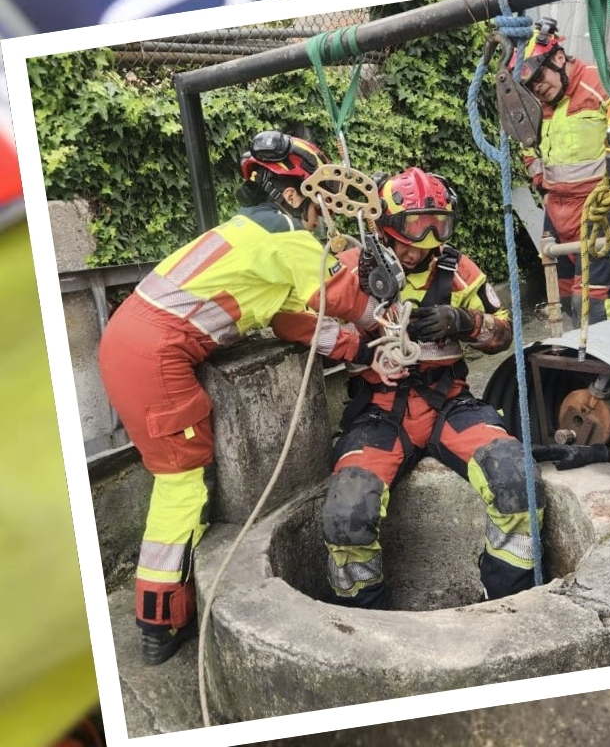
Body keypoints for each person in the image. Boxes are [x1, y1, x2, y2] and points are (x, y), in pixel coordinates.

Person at [98, 130, 385, 664]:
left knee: (183, 477)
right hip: (155, 355)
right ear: (295, 194)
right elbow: (338, 295)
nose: (326, 215)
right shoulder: (286, 235)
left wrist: (354, 347)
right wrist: (381, 323)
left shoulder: (247, 233)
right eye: (320, 199)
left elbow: (290, 317)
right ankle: (159, 623)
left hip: (131, 342)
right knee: (181, 484)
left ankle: (168, 601)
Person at [321, 166, 544, 608]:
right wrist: (363, 347)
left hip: (450, 406)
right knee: (347, 515)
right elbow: (310, 331)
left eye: (436, 225)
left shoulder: (455, 268)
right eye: (412, 226)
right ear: (383, 223)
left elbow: (504, 332)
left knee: (518, 483)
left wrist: (466, 322)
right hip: (376, 413)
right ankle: (365, 616)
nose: (423, 240)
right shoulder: (350, 269)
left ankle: (506, 599)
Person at [516, 17, 610, 327]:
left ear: (557, 57)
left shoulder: (609, 84)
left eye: (539, 78)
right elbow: (528, 147)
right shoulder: (536, 105)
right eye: (529, 85)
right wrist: (539, 179)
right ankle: (582, 362)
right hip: (557, 211)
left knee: (590, 304)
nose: (537, 89)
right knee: (566, 300)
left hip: (601, 207)